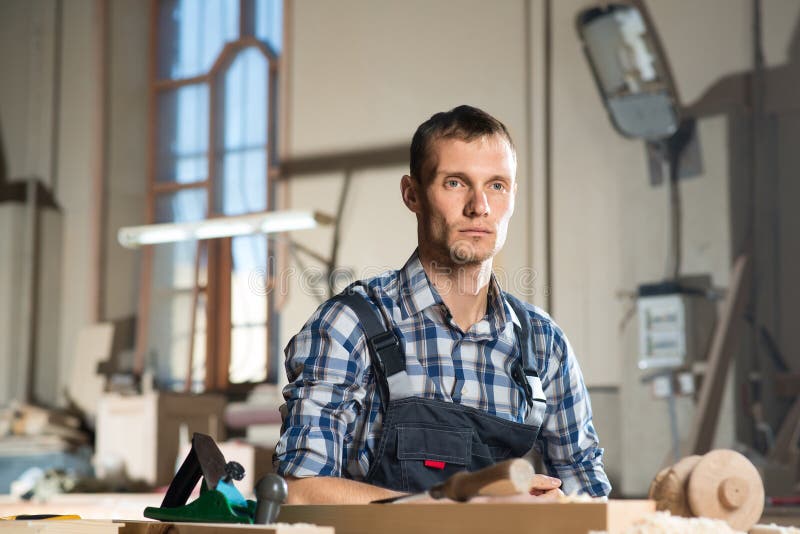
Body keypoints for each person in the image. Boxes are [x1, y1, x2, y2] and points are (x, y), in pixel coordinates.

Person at [274, 105, 611, 504]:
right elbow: (302, 491)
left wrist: (551, 509)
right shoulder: (350, 326)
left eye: (497, 186)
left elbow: (588, 496)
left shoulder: (543, 344)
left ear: (513, 196)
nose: (480, 206)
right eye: (455, 183)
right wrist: (470, 511)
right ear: (412, 194)